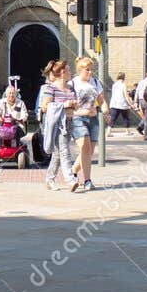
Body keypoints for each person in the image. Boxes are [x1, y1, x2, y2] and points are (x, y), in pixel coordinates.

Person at [36, 59, 78, 191]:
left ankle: (49, 179)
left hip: (69, 122)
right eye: (69, 70)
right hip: (58, 125)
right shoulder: (51, 88)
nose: (71, 72)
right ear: (63, 72)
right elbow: (44, 107)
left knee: (58, 154)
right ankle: (71, 181)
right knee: (64, 152)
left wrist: (74, 105)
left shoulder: (71, 88)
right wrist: (64, 105)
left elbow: (75, 105)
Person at [70, 56, 106, 191]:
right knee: (85, 147)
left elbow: (101, 100)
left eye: (91, 70)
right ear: (80, 70)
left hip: (93, 119)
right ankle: (87, 181)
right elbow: (69, 102)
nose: (90, 72)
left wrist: (105, 109)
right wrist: (78, 110)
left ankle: (72, 171)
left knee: (88, 152)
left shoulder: (95, 82)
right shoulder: (72, 84)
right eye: (87, 70)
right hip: (78, 118)